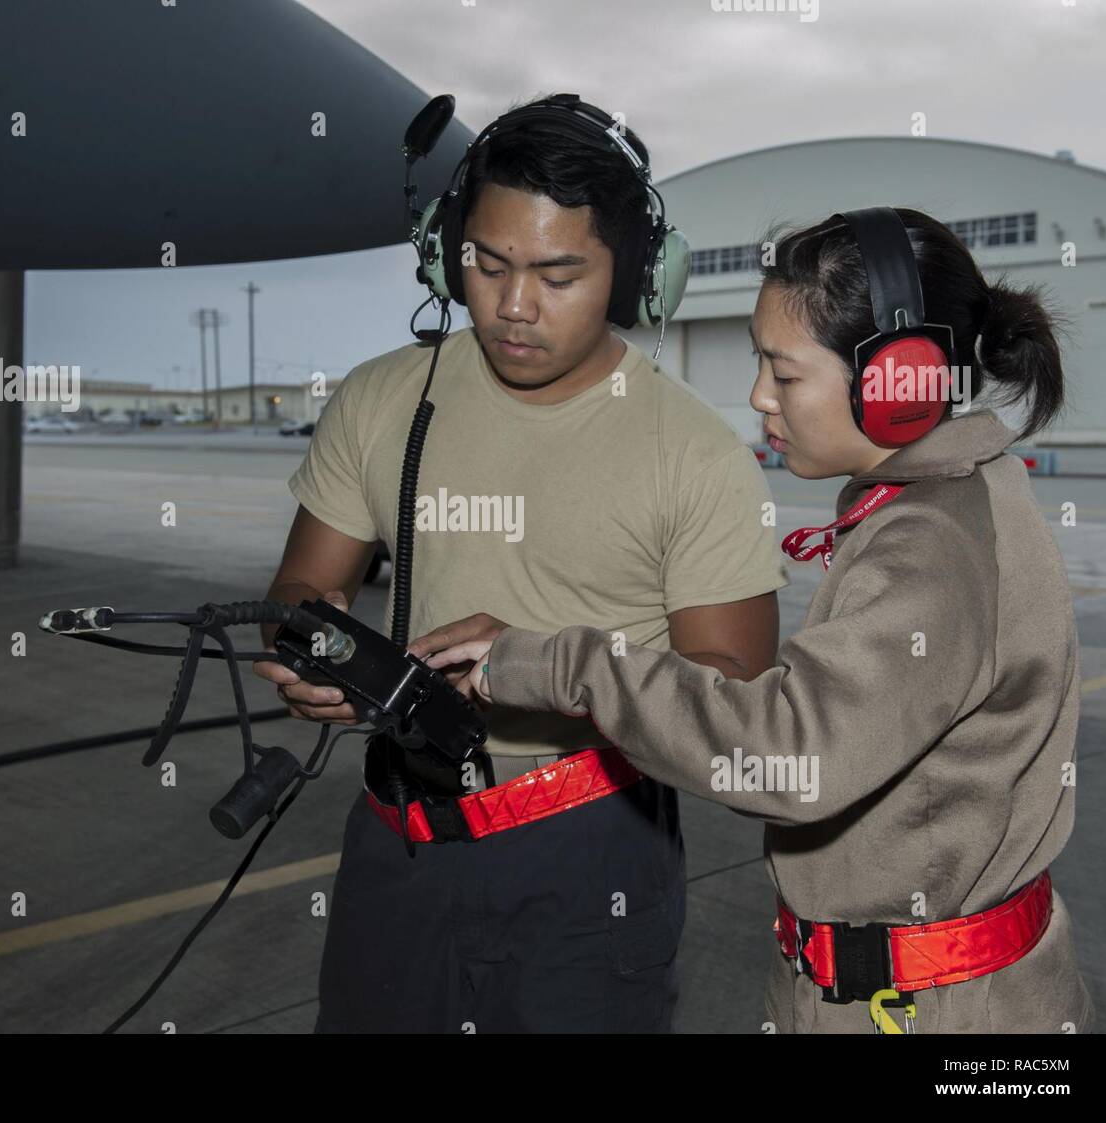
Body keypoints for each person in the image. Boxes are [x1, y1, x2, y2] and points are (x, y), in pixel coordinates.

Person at [429, 207, 1096, 1034]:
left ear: (900, 381)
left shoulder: (931, 543)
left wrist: (557, 663)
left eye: (784, 374)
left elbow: (789, 757)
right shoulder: (960, 497)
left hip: (938, 1012)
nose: (757, 397)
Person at [252, 93, 789, 1033]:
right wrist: (313, 647)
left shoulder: (695, 454)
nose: (513, 305)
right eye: (487, 264)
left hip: (588, 862)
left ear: (634, 276)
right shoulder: (383, 400)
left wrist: (553, 667)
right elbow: (297, 588)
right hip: (397, 844)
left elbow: (734, 707)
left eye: (558, 273)